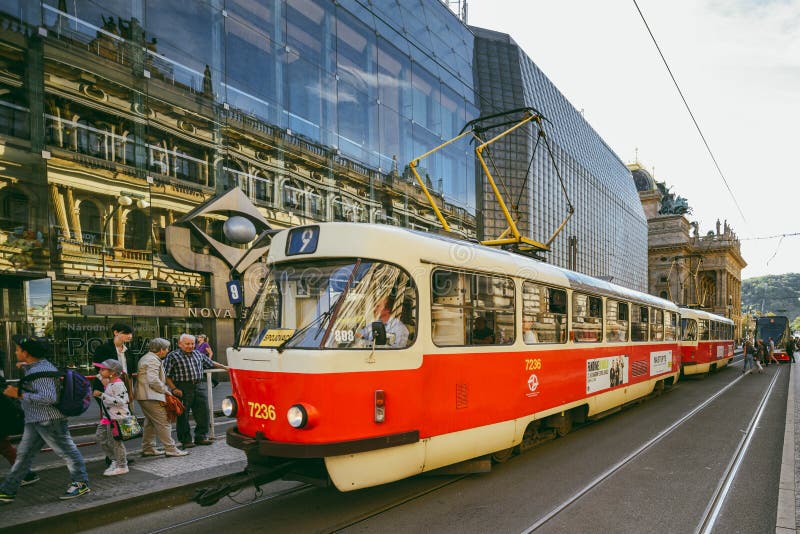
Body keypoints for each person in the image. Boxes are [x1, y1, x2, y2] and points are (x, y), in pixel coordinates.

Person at [0, 336, 90, 504]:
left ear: (26, 353)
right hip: (36, 420)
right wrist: (25, 367)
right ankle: (7, 490)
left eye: (18, 349)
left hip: (49, 420)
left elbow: (49, 397)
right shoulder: (37, 367)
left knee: (67, 452)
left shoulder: (39, 371)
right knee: (24, 455)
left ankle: (81, 483)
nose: (16, 352)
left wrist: (18, 394)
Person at [164, 334, 228, 448]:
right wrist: (174, 388)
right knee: (183, 415)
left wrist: (225, 367)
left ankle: (201, 437)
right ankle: (186, 440)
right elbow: (166, 375)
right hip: (182, 388)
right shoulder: (172, 356)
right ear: (180, 344)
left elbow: (210, 363)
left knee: (203, 412)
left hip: (199, 385)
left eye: (192, 343)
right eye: (187, 344)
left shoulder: (198, 353)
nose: (190, 346)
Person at [134, 338, 188, 458]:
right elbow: (153, 380)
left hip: (145, 395)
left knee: (150, 423)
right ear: (161, 349)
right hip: (151, 396)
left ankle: (148, 448)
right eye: (167, 348)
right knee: (164, 422)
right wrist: (166, 391)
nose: (168, 351)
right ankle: (171, 449)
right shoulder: (152, 360)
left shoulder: (148, 358)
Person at [93, 359, 130, 476]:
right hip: (108, 417)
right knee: (100, 437)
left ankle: (122, 465)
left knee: (116, 442)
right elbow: (99, 375)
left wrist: (101, 395)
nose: (100, 371)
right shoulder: (110, 381)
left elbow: (121, 401)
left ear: (112, 372)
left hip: (116, 418)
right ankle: (115, 460)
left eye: (103, 369)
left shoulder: (118, 384)